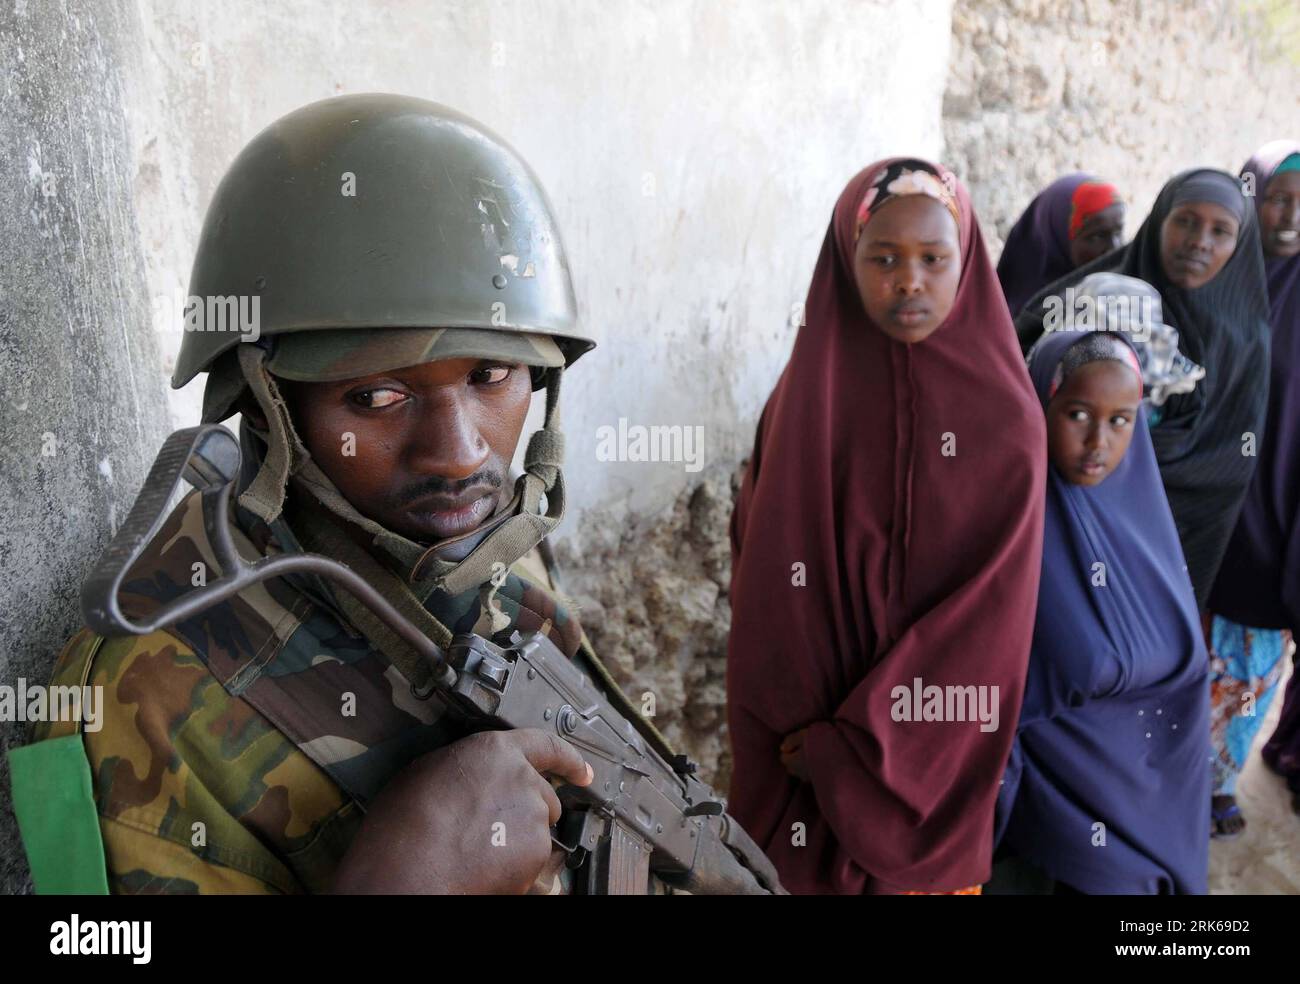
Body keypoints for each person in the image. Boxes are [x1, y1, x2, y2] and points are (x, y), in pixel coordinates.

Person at [7, 94, 679, 894]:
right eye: (378, 398)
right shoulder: (131, 701)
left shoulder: (489, 541)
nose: (461, 457)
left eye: (491, 376)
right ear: (267, 404)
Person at [726, 158, 1046, 894]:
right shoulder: (805, 404)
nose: (910, 281)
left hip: (934, 745)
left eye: (935, 260)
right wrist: (805, 732)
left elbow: (992, 617)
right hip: (799, 734)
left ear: (966, 266)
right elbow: (770, 580)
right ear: (846, 259)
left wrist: (862, 750)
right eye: (884, 258)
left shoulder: (1007, 421)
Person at [993, 328, 1210, 894]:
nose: (1099, 444)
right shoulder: (1005, 528)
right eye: (1077, 414)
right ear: (1038, 402)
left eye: (1120, 421)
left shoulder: (1143, 521)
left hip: (1156, 796)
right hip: (1053, 810)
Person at [1014, 169, 1271, 610]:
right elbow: (1020, 391)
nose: (1199, 241)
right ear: (1158, 222)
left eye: (1221, 231)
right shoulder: (1094, 297)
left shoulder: (1245, 341)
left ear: (1239, 244)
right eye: (1185, 221)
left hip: (1173, 537)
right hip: (1058, 521)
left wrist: (1147, 458)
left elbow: (1227, 465)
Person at [1207, 139, 1300, 835]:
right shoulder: (1210, 278)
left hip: (1280, 512)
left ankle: (1216, 782)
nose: (1291, 217)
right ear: (1251, 200)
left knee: (1248, 662)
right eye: (1277, 199)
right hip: (1205, 508)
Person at [996, 173, 1125, 316]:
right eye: (1096, 237)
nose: (1115, 248)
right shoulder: (1027, 318)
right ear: (1057, 239)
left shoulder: (1125, 301)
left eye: (1118, 232)